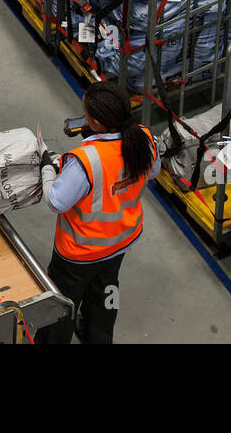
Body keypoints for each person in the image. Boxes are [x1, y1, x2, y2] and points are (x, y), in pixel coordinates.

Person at [36, 81, 159, 344]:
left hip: (79, 253)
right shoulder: (143, 137)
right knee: (107, 291)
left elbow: (57, 201)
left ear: (96, 122)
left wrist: (48, 169)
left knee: (61, 305)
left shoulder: (86, 160)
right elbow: (154, 170)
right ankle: (99, 337)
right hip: (120, 241)